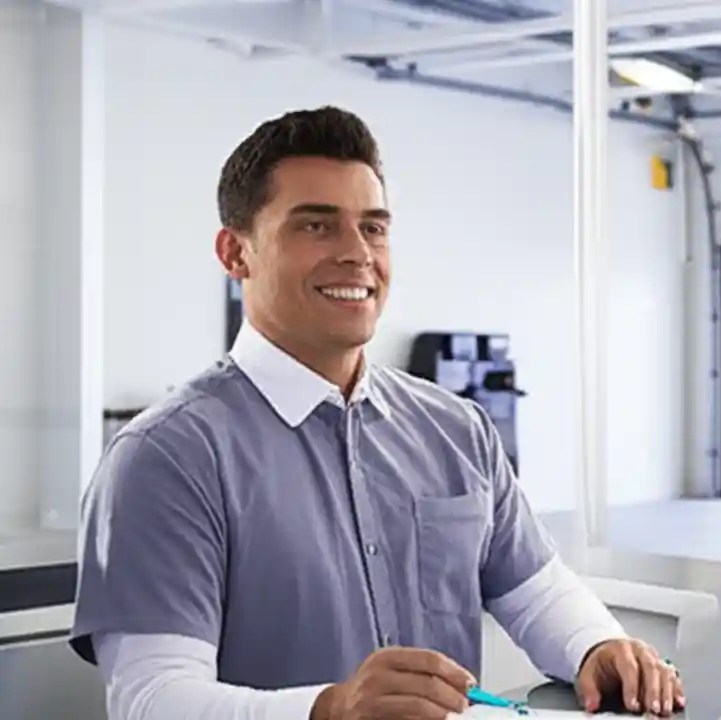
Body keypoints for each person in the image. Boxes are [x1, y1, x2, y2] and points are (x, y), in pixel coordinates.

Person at [72, 106, 683, 720]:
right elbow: (151, 700)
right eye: (316, 226)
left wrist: (596, 645)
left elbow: (535, 591)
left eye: (374, 227)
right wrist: (330, 710)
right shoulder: (166, 458)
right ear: (236, 253)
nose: (356, 253)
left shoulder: (456, 430)